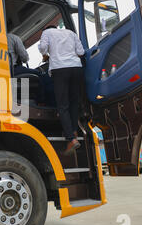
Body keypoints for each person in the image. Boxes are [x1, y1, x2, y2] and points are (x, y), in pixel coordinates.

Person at [38, 25, 85, 155]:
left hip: (60, 69)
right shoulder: (70, 33)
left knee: (62, 105)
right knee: (74, 103)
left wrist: (46, 54)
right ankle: (74, 131)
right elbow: (81, 52)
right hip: (76, 68)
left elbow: (42, 48)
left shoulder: (46, 32)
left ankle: (71, 139)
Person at [7, 33, 48, 105]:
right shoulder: (13, 37)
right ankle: (42, 102)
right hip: (12, 70)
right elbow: (24, 57)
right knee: (40, 74)